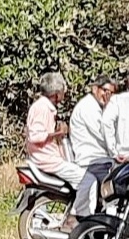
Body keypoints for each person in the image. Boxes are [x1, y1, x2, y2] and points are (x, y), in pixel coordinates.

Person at [25, 72, 84, 229]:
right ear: (57, 94)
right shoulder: (42, 108)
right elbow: (36, 136)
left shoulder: (45, 107)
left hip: (50, 157)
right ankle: (74, 218)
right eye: (63, 91)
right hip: (48, 160)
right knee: (86, 180)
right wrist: (58, 133)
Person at [68, 76, 118, 225]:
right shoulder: (88, 107)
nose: (108, 96)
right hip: (91, 160)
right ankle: (104, 223)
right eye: (105, 91)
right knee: (116, 185)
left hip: (101, 158)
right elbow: (105, 134)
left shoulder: (98, 107)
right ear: (95, 89)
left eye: (112, 93)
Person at [102, 76, 129, 161]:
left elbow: (105, 122)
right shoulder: (117, 100)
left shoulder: (117, 100)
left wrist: (113, 153)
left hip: (122, 158)